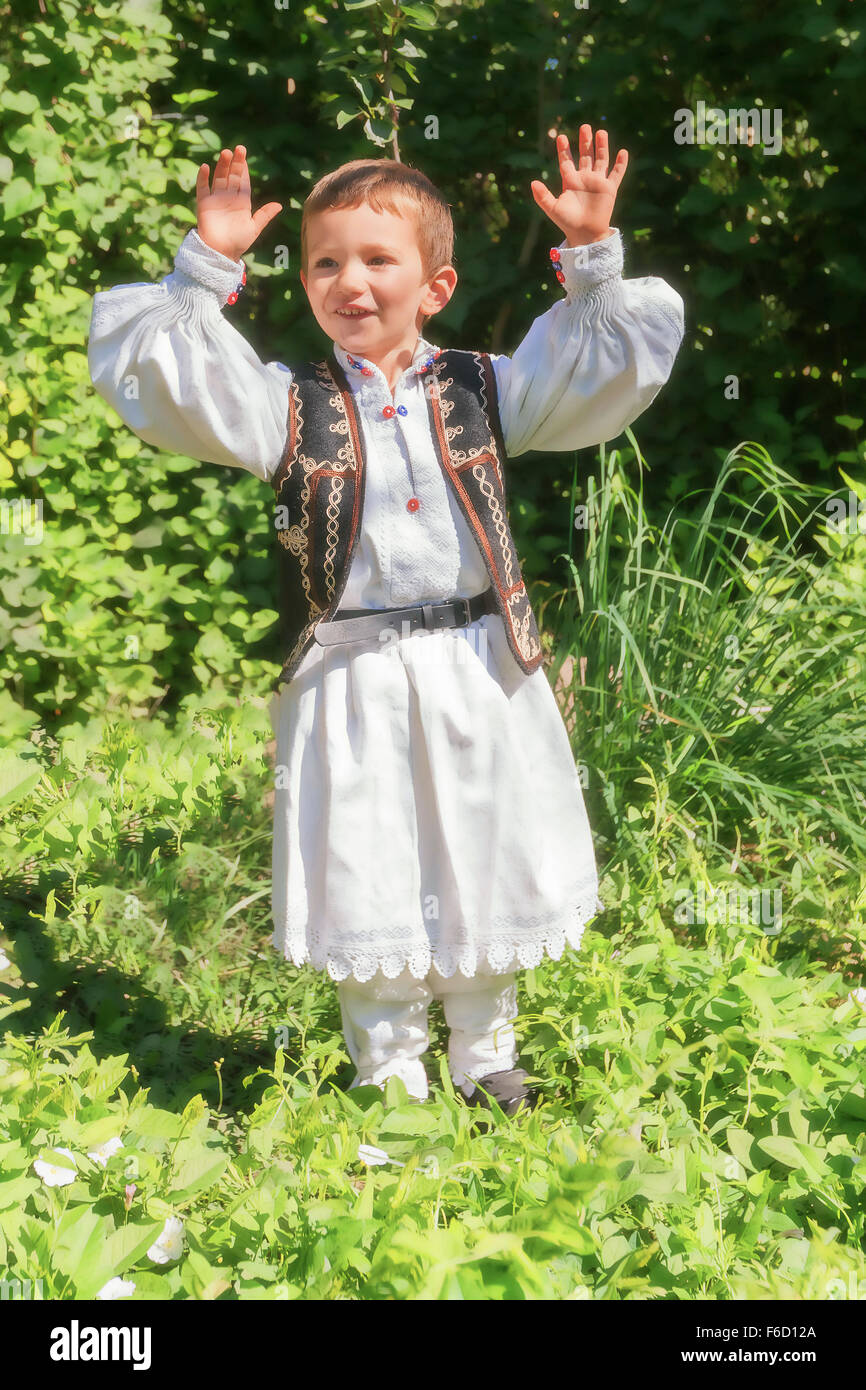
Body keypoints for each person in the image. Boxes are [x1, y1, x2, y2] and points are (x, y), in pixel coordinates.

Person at [87, 127, 684, 1117]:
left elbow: (597, 367)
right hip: (354, 675)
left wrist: (587, 255)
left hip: (479, 663)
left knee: (482, 847)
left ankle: (484, 1055)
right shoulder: (284, 406)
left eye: (376, 259)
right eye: (325, 261)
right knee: (372, 856)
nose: (347, 281)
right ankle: (388, 1074)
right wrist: (206, 266)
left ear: (433, 286)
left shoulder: (488, 388)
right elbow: (174, 380)